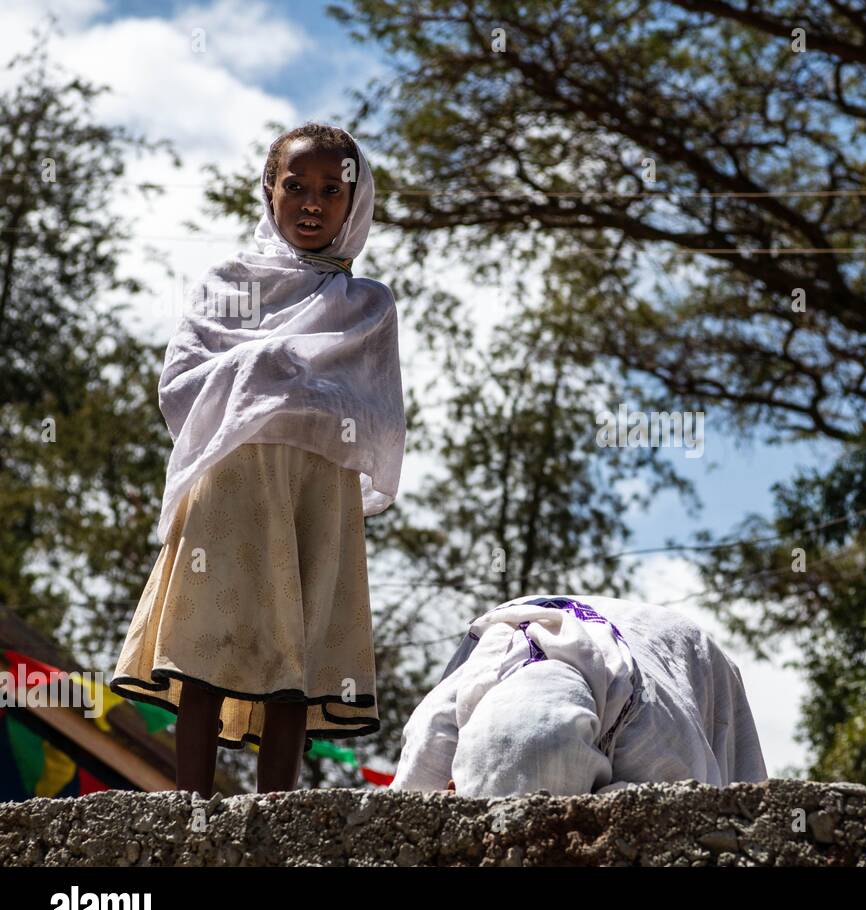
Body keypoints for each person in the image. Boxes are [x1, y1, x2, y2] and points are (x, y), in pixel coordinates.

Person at [110, 124, 405, 796]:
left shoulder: (368, 307)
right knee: (207, 639)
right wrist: (258, 367)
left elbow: (382, 422)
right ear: (268, 192)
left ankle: (276, 806)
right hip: (233, 479)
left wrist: (306, 387)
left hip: (317, 492)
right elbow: (180, 382)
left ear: (355, 204)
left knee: (294, 656)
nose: (312, 201)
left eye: (332, 190)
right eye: (295, 185)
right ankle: (190, 803)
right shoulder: (229, 283)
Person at [390, 595, 768, 797]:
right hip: (521, 620)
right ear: (453, 788)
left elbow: (693, 824)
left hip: (663, 640)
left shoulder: (658, 746)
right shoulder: (435, 740)